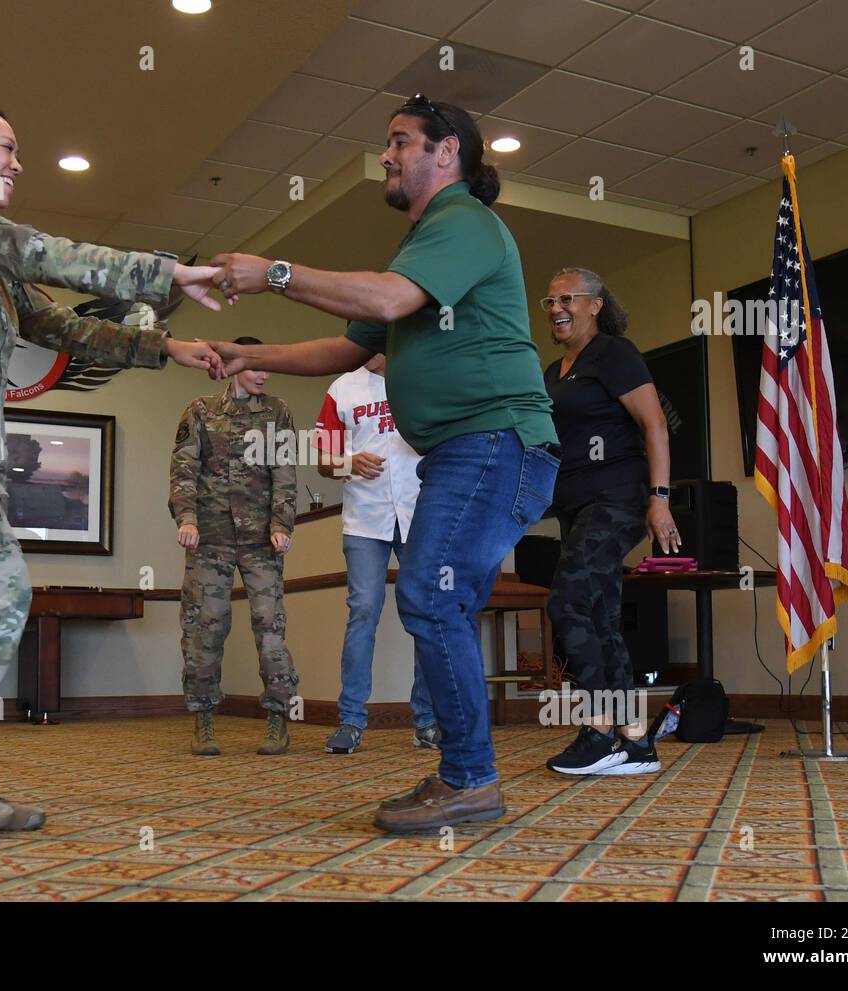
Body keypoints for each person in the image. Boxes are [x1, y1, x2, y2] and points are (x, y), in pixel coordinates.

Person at [0, 103, 223, 833]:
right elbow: (40, 252)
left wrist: (164, 347)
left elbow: (56, 323)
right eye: (8, 148)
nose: (19, 163)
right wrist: (167, 272)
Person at [205, 95, 560, 832]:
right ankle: (467, 774)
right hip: (472, 450)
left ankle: (470, 779)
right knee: (442, 602)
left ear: (447, 152)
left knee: (430, 596)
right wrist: (251, 354)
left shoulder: (464, 222)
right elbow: (346, 347)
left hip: (495, 441)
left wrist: (273, 271)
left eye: (400, 142)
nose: (387, 156)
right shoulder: (425, 245)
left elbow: (389, 297)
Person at [540, 267, 681, 776]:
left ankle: (600, 729)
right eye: (549, 301)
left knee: (568, 601)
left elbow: (655, 424)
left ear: (594, 305)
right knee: (598, 614)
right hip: (575, 505)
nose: (556, 308)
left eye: (567, 299)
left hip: (618, 499)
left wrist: (659, 500)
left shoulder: (614, 354)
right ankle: (636, 742)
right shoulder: (554, 373)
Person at [170, 337, 299, 756]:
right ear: (232, 366)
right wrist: (186, 517)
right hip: (210, 539)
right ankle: (203, 718)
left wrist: (282, 524)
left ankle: (279, 718)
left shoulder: (277, 412)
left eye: (267, 368)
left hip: (262, 540)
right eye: (255, 366)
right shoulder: (200, 410)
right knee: (205, 627)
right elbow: (184, 468)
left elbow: (284, 472)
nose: (263, 374)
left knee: (270, 628)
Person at [313, 354, 438, 754]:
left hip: (420, 514)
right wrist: (347, 462)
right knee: (363, 610)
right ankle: (350, 720)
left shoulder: (421, 377)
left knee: (425, 612)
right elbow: (323, 464)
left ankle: (428, 721)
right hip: (366, 520)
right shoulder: (342, 389)